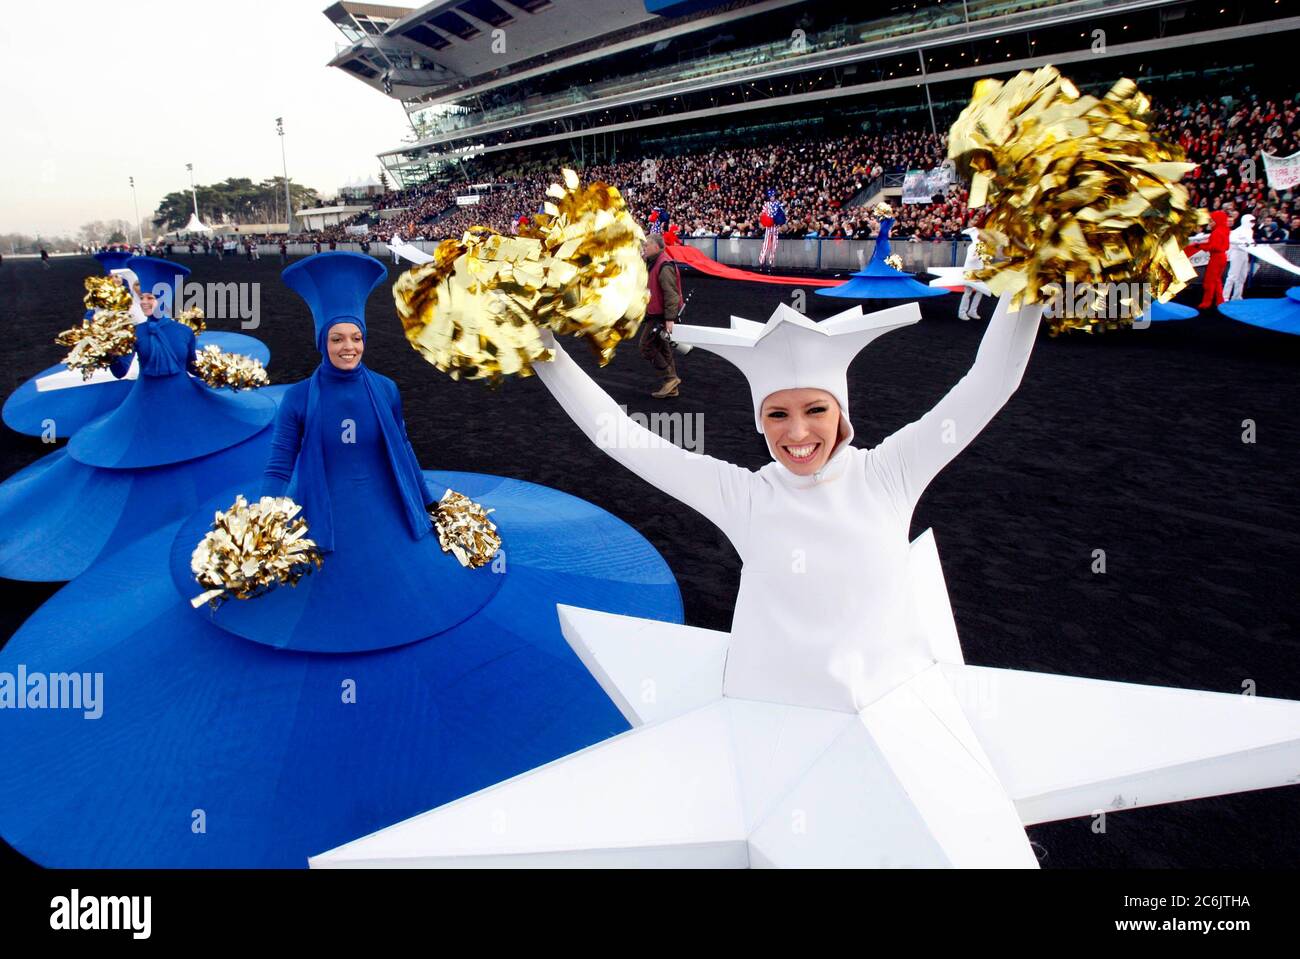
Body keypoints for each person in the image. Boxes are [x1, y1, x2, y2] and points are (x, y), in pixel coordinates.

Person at [638, 231, 683, 399]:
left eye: (646, 245)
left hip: (660, 315)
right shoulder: (655, 262)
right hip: (658, 313)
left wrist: (670, 319)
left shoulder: (664, 265)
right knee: (663, 348)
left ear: (656, 247)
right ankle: (671, 386)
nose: (644, 248)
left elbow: (671, 294)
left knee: (646, 347)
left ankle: (670, 378)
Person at [1184, 210, 1230, 308]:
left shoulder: (1217, 232)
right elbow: (1223, 246)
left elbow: (1214, 247)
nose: (1210, 223)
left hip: (1216, 258)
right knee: (1216, 280)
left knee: (1210, 281)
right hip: (1221, 257)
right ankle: (1220, 301)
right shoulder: (1224, 230)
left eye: (1212, 221)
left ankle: (1207, 302)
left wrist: (1201, 246)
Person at [1223, 212, 1255, 301]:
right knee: (1232, 276)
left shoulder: (1250, 231)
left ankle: (1237, 296)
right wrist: (1243, 242)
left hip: (1245, 253)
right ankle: (1225, 296)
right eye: (1251, 221)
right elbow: (1231, 239)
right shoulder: (1238, 230)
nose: (1253, 223)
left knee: (1242, 276)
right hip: (1237, 253)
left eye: (1254, 221)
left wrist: (1252, 243)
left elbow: (1250, 240)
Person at [957, 226, 984, 320]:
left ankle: (972, 311)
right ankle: (962, 312)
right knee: (968, 292)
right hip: (970, 271)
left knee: (980, 291)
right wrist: (979, 255)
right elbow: (972, 259)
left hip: (978, 270)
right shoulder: (976, 246)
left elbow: (980, 259)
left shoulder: (980, 245)